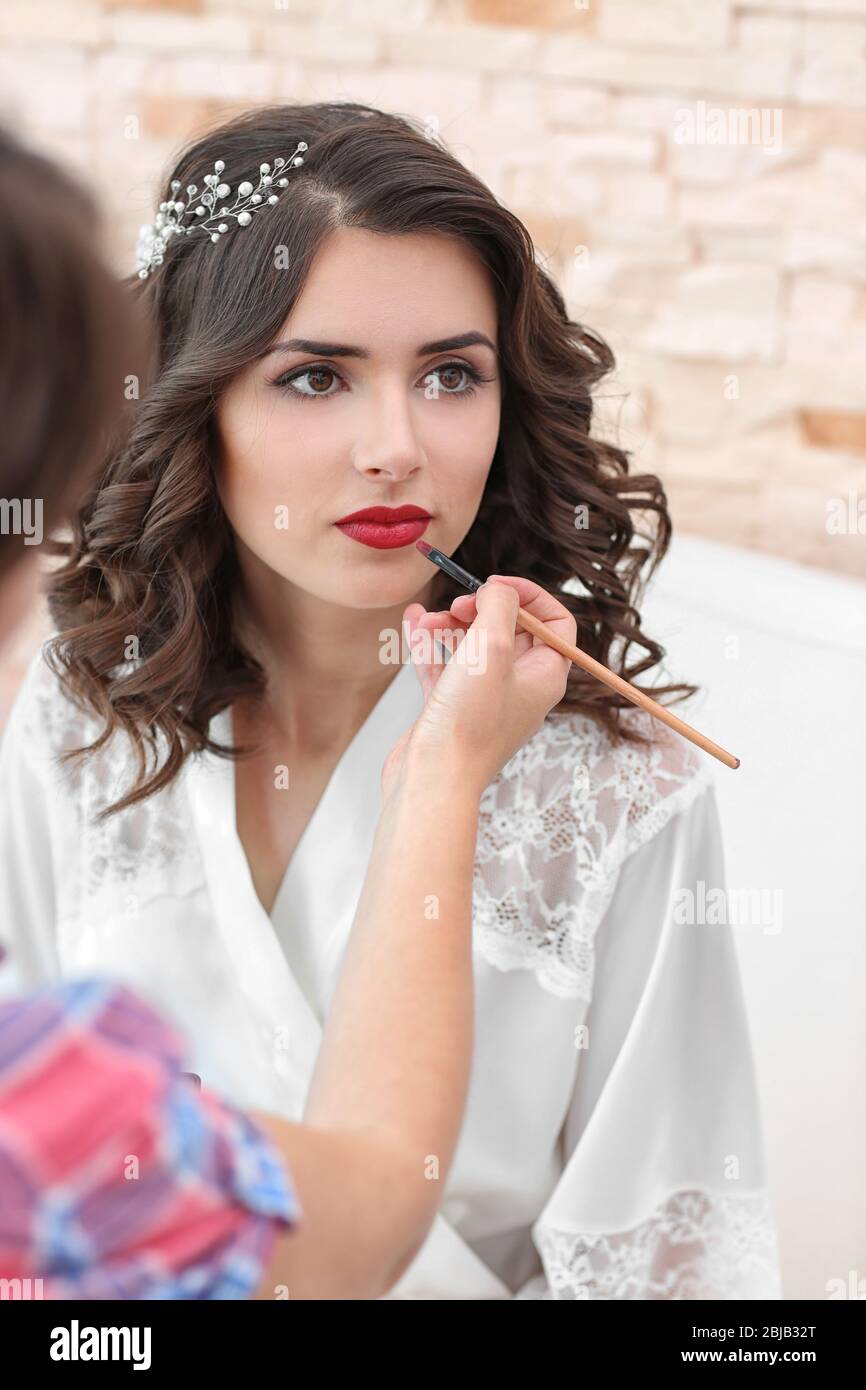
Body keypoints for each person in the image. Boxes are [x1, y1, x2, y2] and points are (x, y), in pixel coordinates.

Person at [0, 103, 783, 1299]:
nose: (395, 447)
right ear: (187, 397)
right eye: (314, 375)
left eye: (450, 375)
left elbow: (679, 1274)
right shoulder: (77, 713)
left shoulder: (622, 792)